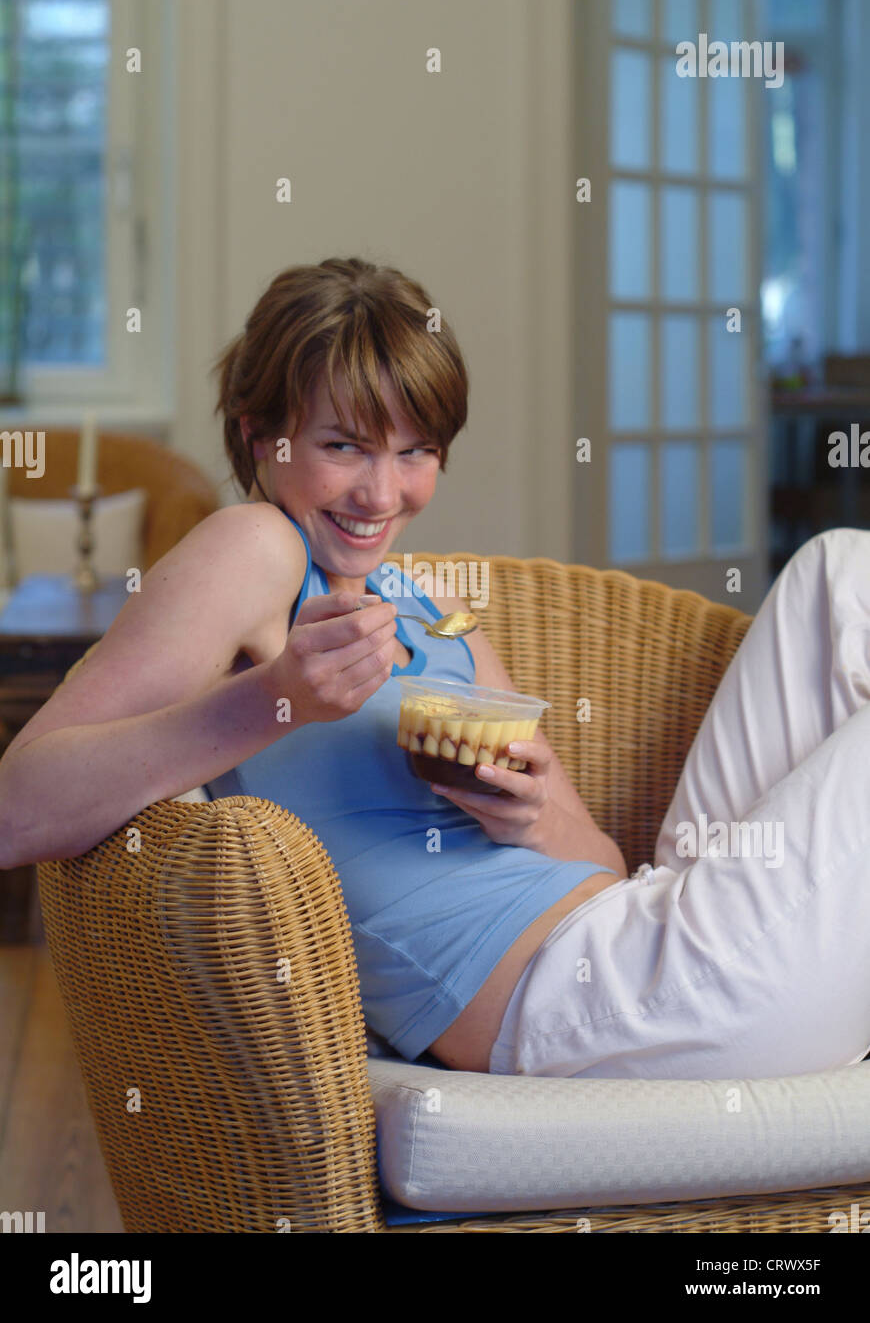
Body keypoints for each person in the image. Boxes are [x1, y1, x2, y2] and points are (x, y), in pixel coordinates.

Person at [3, 257, 868, 1081]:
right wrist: (274, 703)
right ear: (260, 437)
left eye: (415, 452)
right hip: (586, 1005)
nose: (383, 496)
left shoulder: (427, 609)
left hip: (651, 928)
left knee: (839, 572)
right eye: (344, 446)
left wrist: (531, 818)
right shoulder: (255, 548)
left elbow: (604, 864)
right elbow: (18, 808)